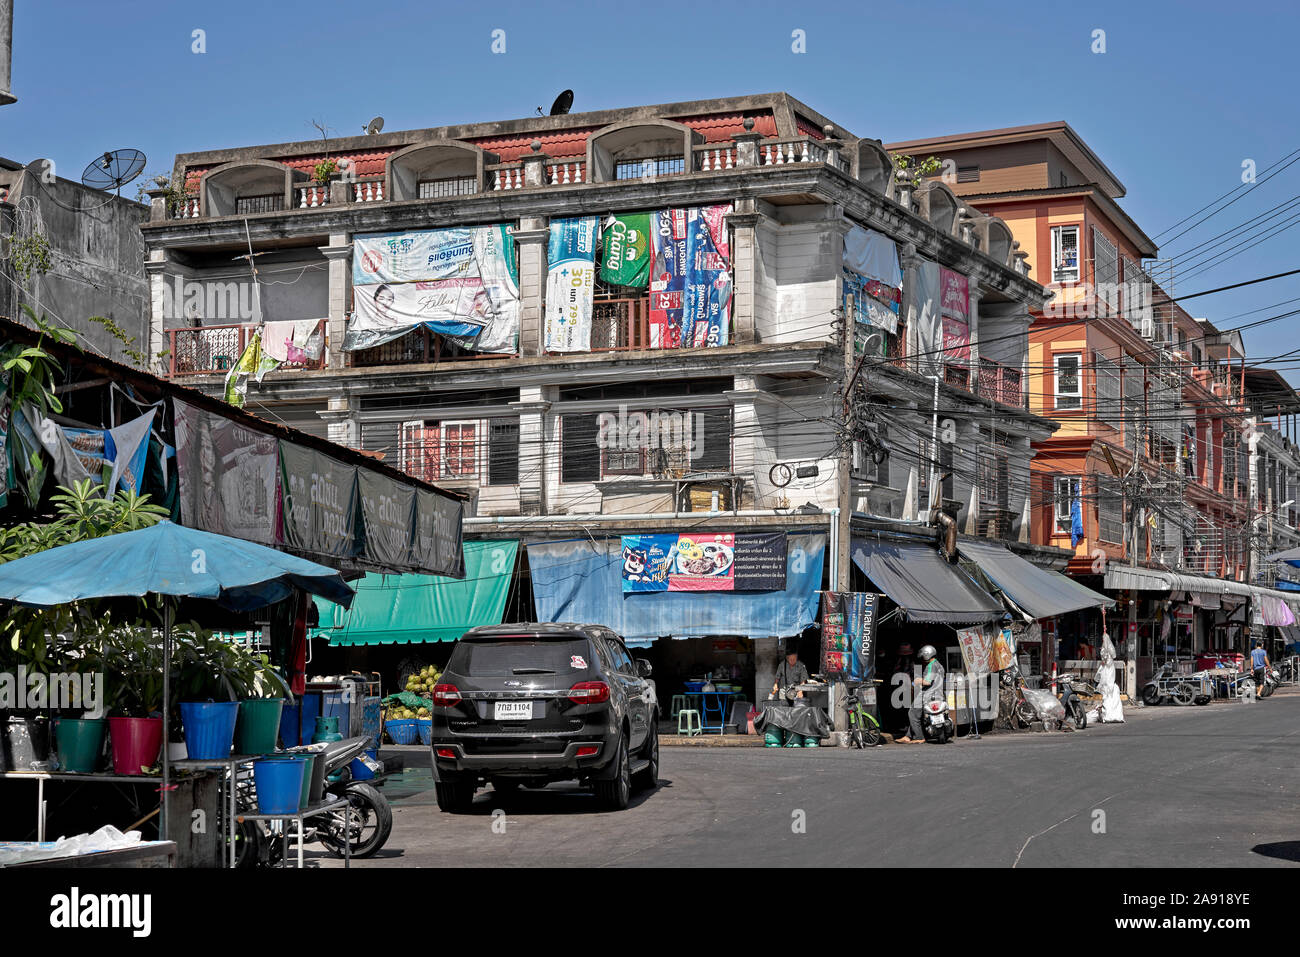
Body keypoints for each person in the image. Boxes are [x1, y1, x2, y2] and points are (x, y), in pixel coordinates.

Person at [898, 644, 945, 744]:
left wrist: (918, 680)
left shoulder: (931, 666)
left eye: (924, 655)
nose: (923, 657)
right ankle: (908, 736)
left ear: (927, 654)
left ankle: (919, 737)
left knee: (912, 713)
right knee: (915, 715)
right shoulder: (940, 665)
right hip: (938, 695)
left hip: (927, 695)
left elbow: (927, 682)